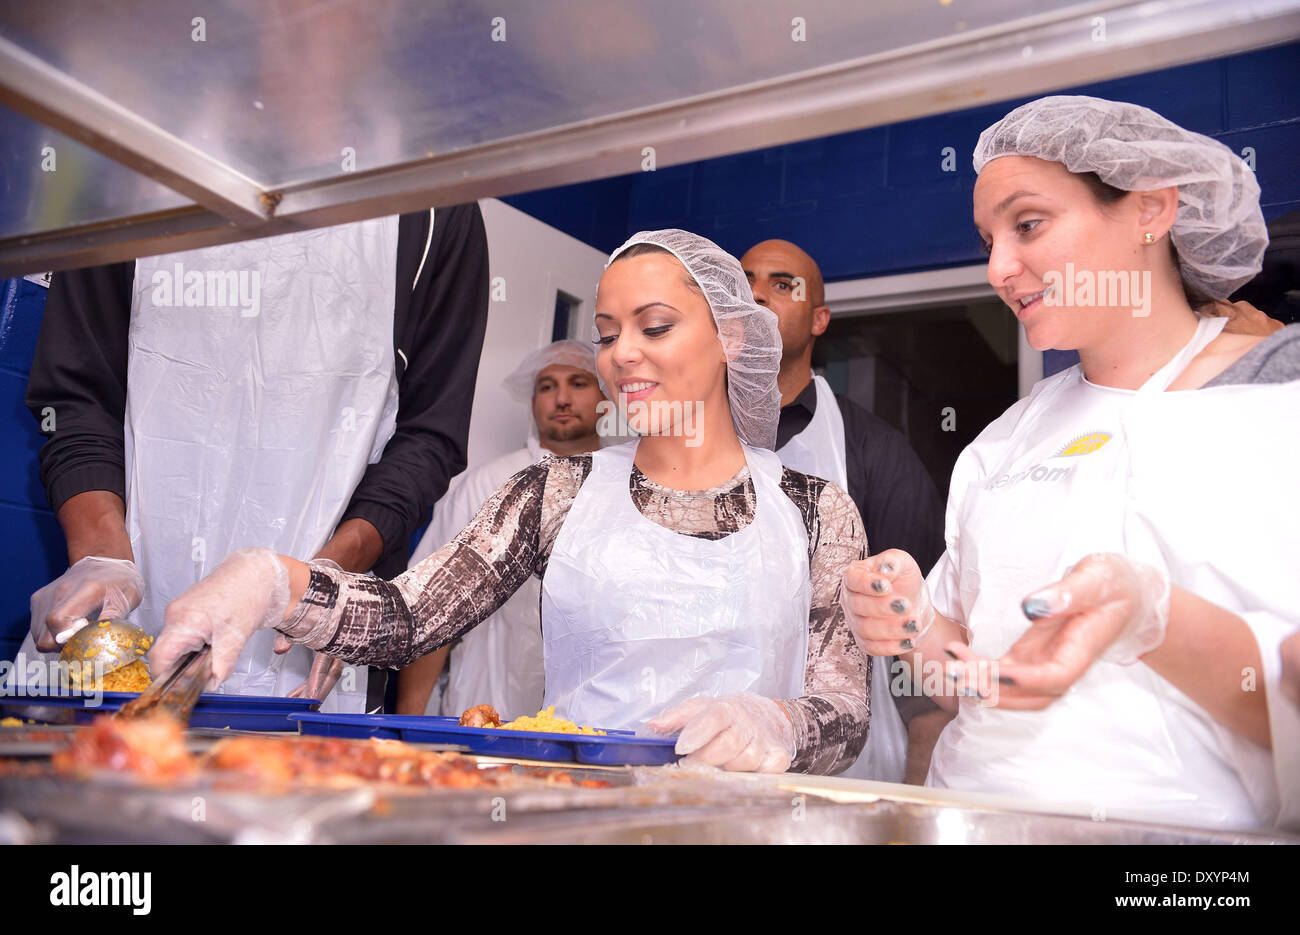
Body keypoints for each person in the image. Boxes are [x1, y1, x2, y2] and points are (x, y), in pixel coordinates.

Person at [150, 229, 871, 774]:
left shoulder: (815, 510)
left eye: (654, 327)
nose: (620, 355)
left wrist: (777, 722)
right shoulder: (555, 492)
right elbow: (406, 619)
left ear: (732, 335)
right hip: (583, 819)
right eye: (608, 334)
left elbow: (846, 712)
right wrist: (269, 579)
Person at [841, 95, 1300, 829]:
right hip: (970, 821)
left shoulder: (1273, 390)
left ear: (1150, 209)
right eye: (988, 238)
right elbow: (969, 683)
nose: (998, 266)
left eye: (1028, 224)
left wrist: (1150, 617)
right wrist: (916, 623)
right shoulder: (1004, 441)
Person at [23, 207, 490, 713]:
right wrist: (100, 555)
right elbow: (74, 398)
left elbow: (430, 435)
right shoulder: (128, 175)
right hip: (129, 607)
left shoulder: (438, 210)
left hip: (312, 633)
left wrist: (323, 587)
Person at [742, 239, 946, 783]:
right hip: (695, 734)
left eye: (782, 285)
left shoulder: (876, 452)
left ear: (819, 320)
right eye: (744, 283)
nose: (757, 295)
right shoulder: (677, 439)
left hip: (836, 760)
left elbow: (917, 633)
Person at [395, 340, 606, 718]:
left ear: (606, 397)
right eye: (546, 386)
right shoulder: (487, 483)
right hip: (482, 702)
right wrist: (408, 726)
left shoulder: (619, 487)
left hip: (591, 717)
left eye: (578, 383)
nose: (561, 398)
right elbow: (428, 608)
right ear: (531, 403)